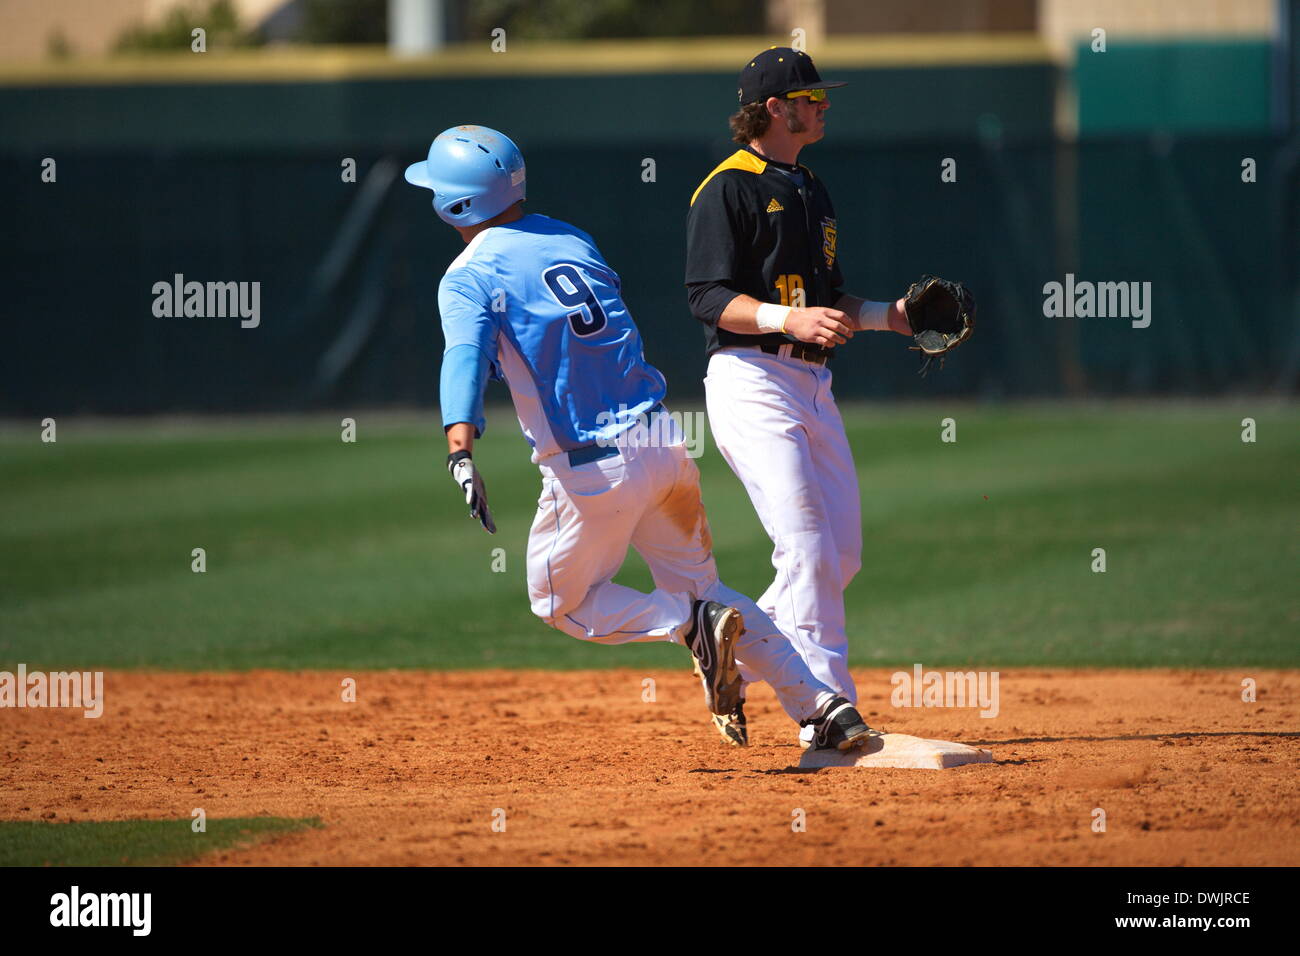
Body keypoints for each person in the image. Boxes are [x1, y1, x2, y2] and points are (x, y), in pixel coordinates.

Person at [407, 124, 873, 751]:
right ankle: (823, 708)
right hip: (662, 441)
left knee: (561, 604)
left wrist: (460, 447)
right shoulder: (568, 236)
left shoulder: (466, 276)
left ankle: (688, 623)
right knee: (710, 589)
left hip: (593, 466)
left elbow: (462, 358)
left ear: (454, 203)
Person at [685, 48, 924, 748]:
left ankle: (729, 643)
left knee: (838, 555)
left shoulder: (810, 186)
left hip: (813, 383)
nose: (822, 105)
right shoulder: (726, 188)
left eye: (821, 95)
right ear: (771, 109)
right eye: (809, 96)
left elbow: (828, 298)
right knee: (808, 549)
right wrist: (787, 319)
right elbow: (706, 296)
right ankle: (829, 716)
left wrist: (892, 316)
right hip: (752, 381)